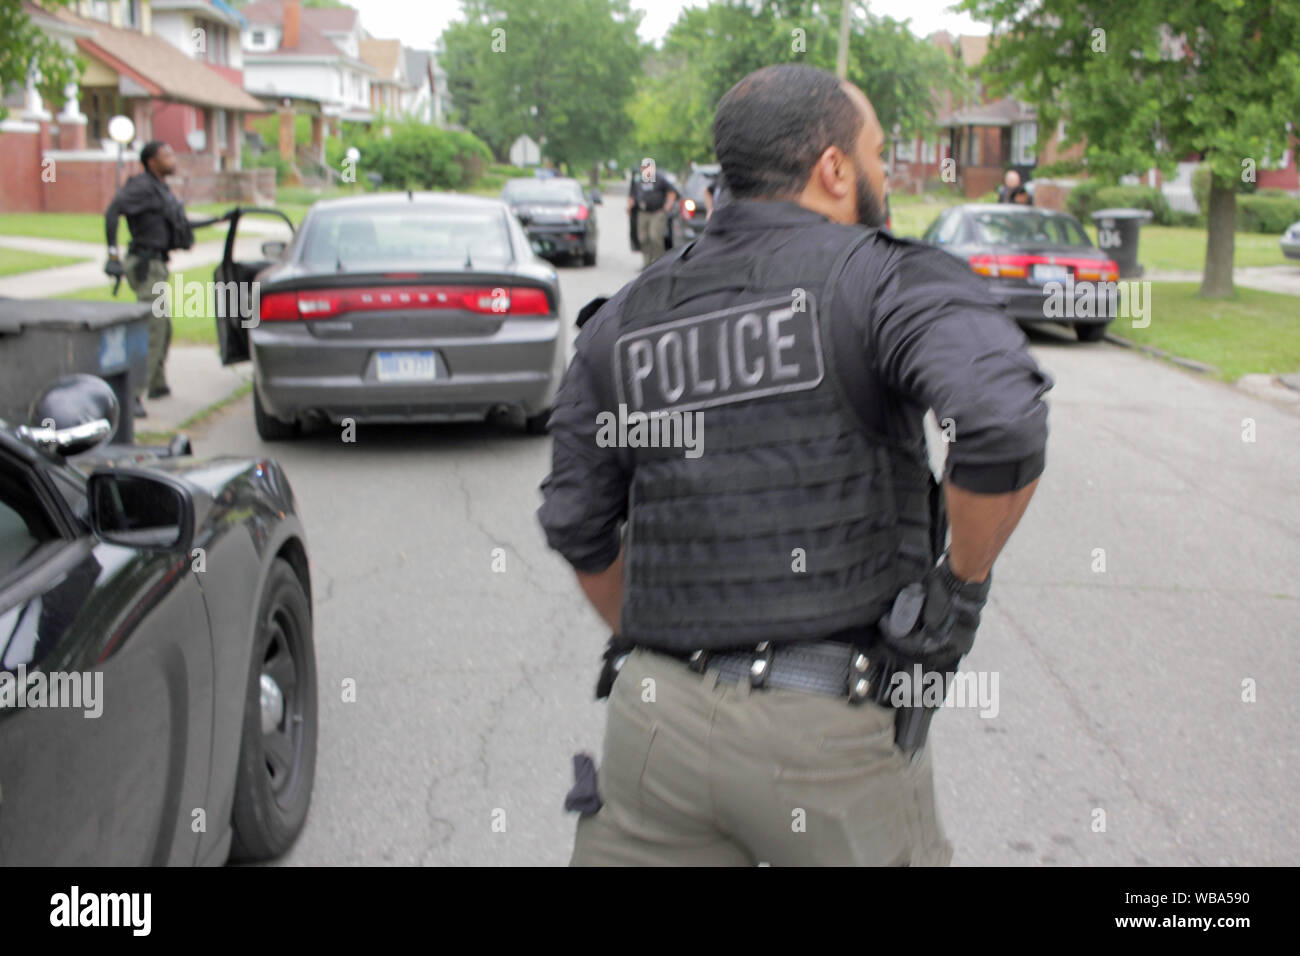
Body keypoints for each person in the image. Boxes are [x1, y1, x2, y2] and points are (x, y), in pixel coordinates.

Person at [539, 64, 1051, 866]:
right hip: (828, 742)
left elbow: (577, 522)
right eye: (878, 154)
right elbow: (1001, 423)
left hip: (652, 733)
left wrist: (674, 641)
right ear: (835, 168)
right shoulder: (885, 277)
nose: (883, 174)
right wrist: (959, 593)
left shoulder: (625, 320)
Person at [105, 141, 222, 417]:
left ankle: (156, 383)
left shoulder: (159, 190)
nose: (173, 159)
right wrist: (112, 254)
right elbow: (113, 210)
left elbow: (179, 223)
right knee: (153, 328)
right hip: (145, 265)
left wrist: (218, 219)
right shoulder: (142, 186)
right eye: (166, 154)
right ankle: (132, 394)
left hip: (157, 264)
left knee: (163, 327)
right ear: (151, 161)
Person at [627, 157, 677, 268]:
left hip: (657, 212)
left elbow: (672, 192)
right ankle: (647, 263)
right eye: (644, 167)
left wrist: (667, 206)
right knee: (643, 238)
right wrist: (629, 207)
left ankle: (659, 263)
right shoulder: (639, 181)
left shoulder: (659, 179)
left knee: (655, 237)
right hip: (643, 213)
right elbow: (632, 196)